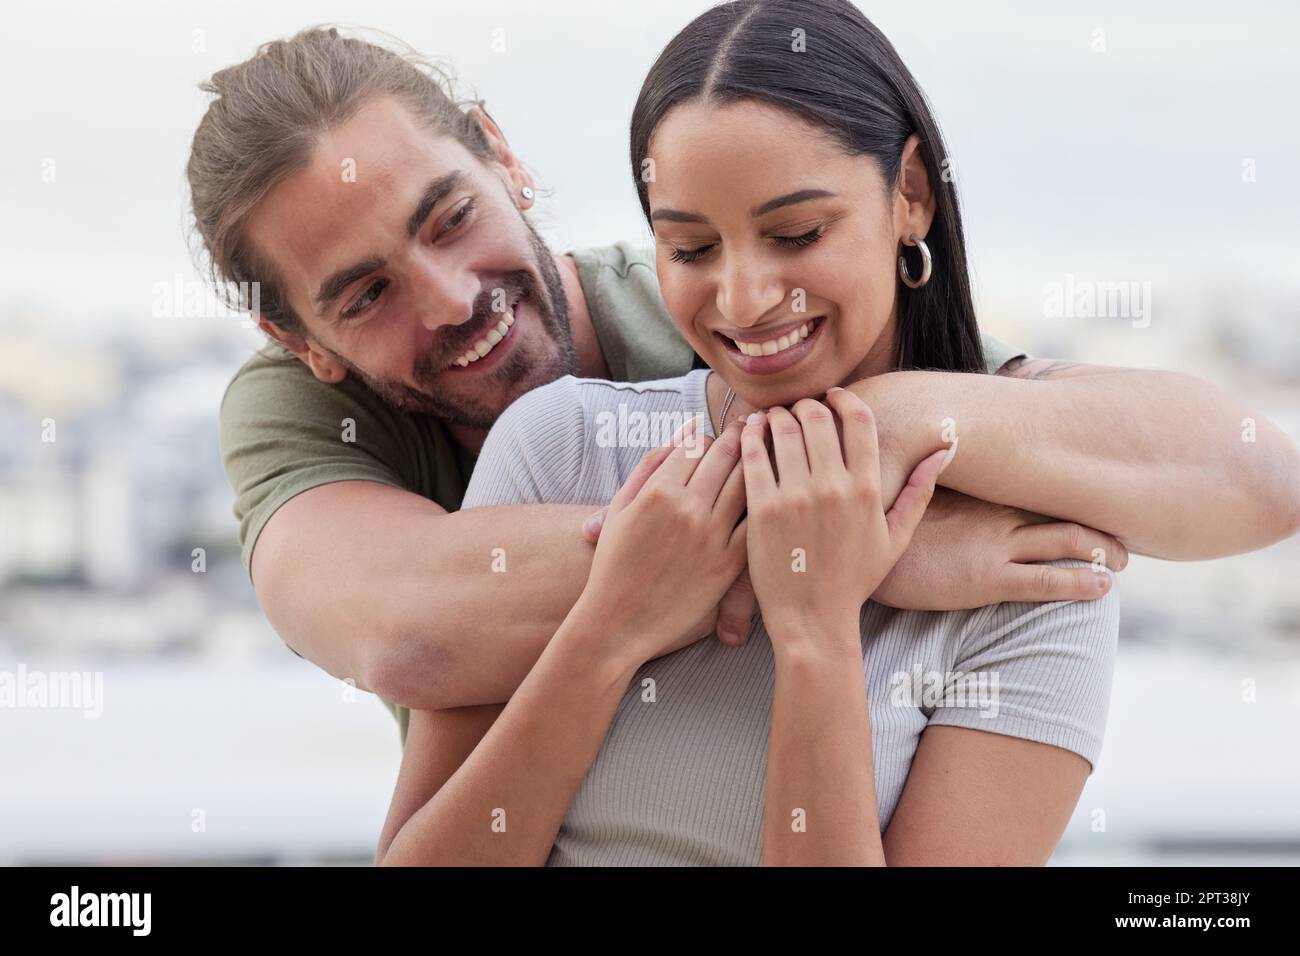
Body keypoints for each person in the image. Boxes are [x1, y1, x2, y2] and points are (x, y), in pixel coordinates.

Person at [189, 26, 1300, 750]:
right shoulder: (294, 410)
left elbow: (1249, 474)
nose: (446, 297)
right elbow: (408, 633)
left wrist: (883, 427)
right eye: (365, 293)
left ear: (502, 157)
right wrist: (846, 549)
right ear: (299, 337)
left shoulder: (737, 321)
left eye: (450, 218)